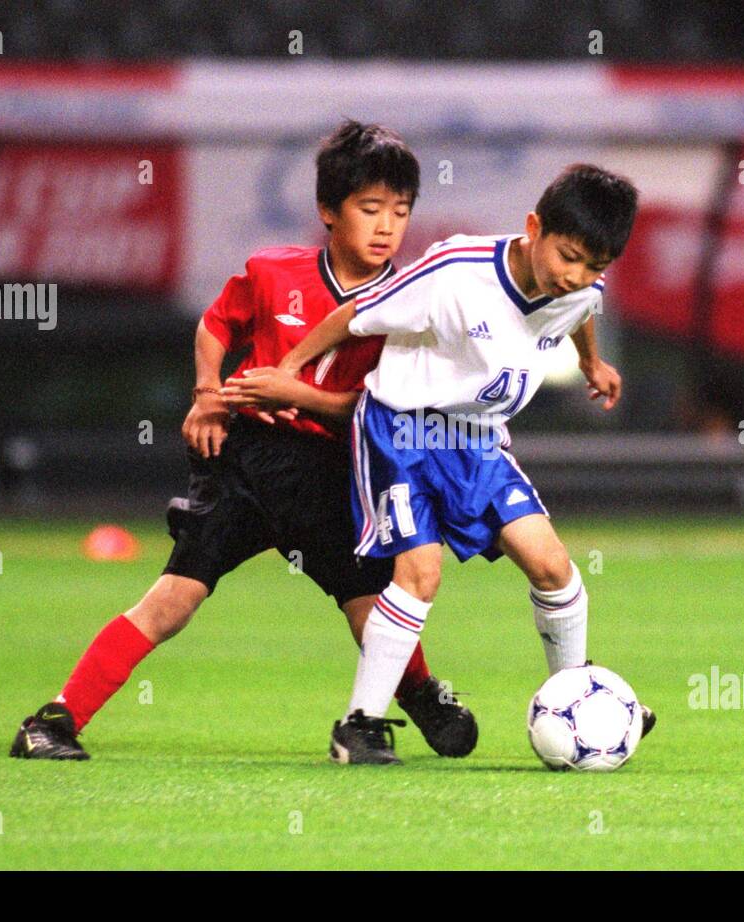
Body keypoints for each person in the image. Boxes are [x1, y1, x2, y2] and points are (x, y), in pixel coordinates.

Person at [10, 120, 477, 761]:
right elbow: (214, 324)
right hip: (248, 465)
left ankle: (418, 693)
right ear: (326, 211)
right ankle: (55, 720)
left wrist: (298, 396)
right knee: (175, 598)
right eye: (369, 209)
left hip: (337, 472)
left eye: (400, 211)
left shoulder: (412, 305)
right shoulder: (272, 272)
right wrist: (207, 394)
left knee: (373, 608)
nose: (386, 226)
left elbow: (378, 412)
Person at [269, 163, 657, 764]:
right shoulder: (455, 272)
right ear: (534, 227)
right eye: (570, 257)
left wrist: (591, 363)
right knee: (420, 574)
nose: (577, 276)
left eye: (596, 267)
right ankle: (360, 725)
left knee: (554, 567)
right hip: (402, 433)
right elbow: (356, 314)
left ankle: (580, 693)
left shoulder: (579, 290)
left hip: (478, 441)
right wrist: (290, 369)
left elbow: (580, 312)